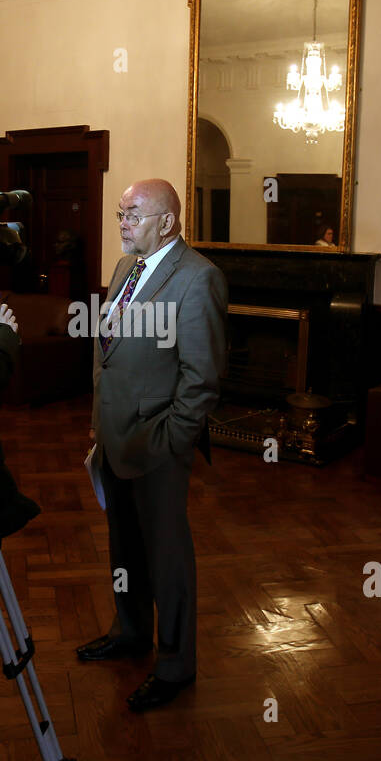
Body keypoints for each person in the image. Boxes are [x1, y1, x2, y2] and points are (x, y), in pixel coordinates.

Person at [76, 178, 227, 712]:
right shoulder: (124, 268)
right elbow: (109, 353)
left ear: (167, 222)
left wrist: (170, 442)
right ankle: (131, 631)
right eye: (120, 213)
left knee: (166, 558)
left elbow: (201, 377)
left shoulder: (198, 278)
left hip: (159, 445)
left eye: (134, 215)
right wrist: (100, 424)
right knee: (125, 547)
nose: (122, 223)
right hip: (115, 438)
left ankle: (175, 665)